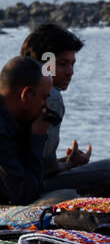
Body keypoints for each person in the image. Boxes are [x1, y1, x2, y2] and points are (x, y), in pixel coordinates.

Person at [20, 24, 110, 199]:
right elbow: (40, 166)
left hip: (20, 183)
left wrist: (67, 163)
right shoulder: (51, 96)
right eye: (63, 64)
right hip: (31, 188)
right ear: (45, 64)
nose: (70, 72)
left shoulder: (15, 86)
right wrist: (66, 166)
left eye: (72, 64)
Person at [0, 57, 63, 206]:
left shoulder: (11, 119)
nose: (46, 106)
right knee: (65, 196)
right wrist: (37, 137)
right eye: (44, 98)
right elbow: (25, 195)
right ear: (26, 95)